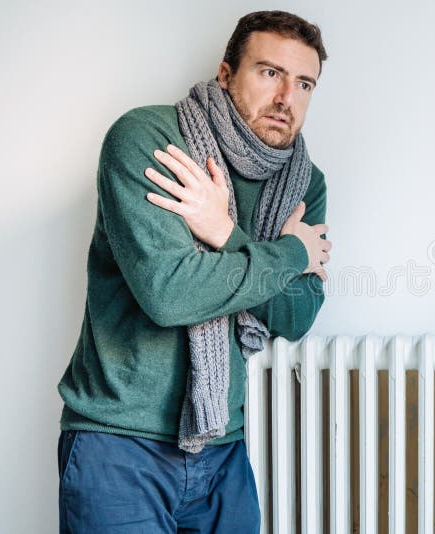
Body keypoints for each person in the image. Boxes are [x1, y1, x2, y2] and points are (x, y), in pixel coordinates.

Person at [55, 10, 331, 533]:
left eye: (304, 83)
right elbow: (170, 294)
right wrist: (291, 254)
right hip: (118, 444)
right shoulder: (147, 139)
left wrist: (226, 233)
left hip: (223, 448)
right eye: (269, 72)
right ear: (226, 74)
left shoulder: (304, 182)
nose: (286, 98)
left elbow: (295, 315)